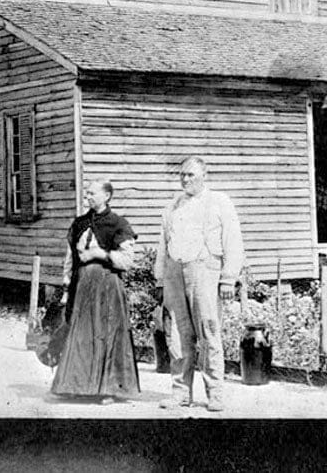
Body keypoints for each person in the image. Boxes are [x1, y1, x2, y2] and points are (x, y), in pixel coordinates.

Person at [153, 155, 244, 412]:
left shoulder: (219, 202)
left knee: (208, 330)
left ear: (205, 176)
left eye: (191, 174)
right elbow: (163, 244)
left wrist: (228, 278)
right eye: (182, 174)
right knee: (177, 334)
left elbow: (233, 241)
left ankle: (215, 393)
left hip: (205, 270)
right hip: (174, 272)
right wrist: (160, 277)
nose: (185, 179)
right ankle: (180, 392)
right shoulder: (173, 206)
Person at [51, 179, 140, 403]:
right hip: (82, 287)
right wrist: (66, 281)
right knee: (81, 334)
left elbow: (127, 260)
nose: (88, 197)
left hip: (107, 287)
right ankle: (77, 385)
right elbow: (71, 256)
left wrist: (100, 254)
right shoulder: (80, 223)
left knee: (107, 334)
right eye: (87, 193)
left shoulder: (118, 224)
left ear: (107, 196)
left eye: (92, 193)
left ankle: (108, 389)